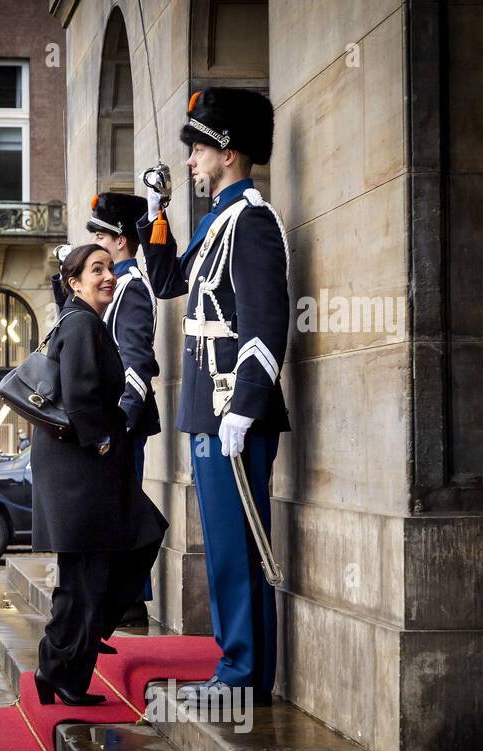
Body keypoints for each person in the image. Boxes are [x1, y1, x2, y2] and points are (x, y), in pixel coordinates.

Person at [136, 87, 290, 706]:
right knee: (226, 546)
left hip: (233, 410)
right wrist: (156, 212)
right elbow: (169, 281)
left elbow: (265, 319)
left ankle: (243, 675)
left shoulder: (252, 219)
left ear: (227, 152)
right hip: (210, 409)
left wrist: (248, 404)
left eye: (198, 148)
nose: (192, 161)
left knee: (237, 548)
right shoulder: (217, 219)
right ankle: (238, 668)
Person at [32, 244, 168, 706]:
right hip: (85, 472)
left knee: (101, 564)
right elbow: (80, 392)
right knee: (86, 576)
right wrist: (102, 439)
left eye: (110, 267)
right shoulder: (83, 323)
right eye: (97, 270)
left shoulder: (81, 321)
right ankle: (64, 672)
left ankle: (60, 663)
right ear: (74, 282)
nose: (108, 275)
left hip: (83, 472)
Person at [90, 192, 161, 629]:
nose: (96, 241)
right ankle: (124, 595)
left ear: (119, 240)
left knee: (125, 507)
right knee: (116, 507)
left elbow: (137, 363)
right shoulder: (117, 286)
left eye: (100, 234)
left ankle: (132, 597)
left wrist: (121, 419)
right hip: (113, 418)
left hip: (123, 421)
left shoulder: (132, 288)